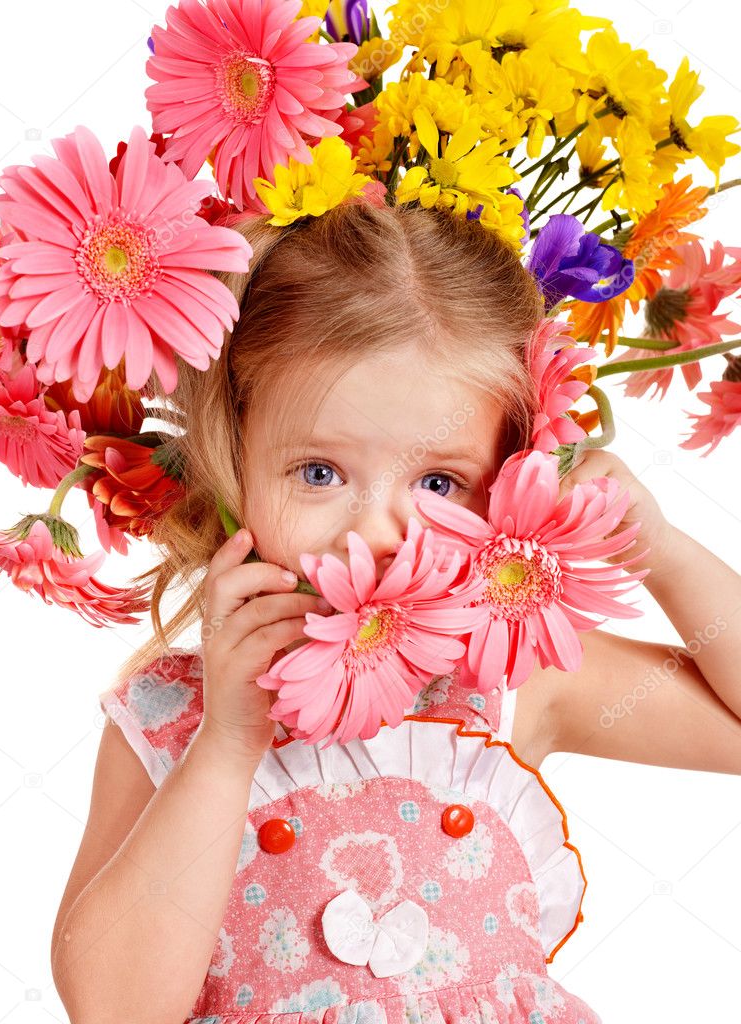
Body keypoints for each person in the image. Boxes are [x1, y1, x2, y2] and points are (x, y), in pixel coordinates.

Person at [49, 200, 741, 1023]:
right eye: (318, 472)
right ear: (231, 456)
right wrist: (226, 747)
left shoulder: (507, 676)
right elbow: (115, 1009)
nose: (376, 531)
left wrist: (662, 550)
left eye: (439, 483)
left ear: (508, 481)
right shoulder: (170, 718)